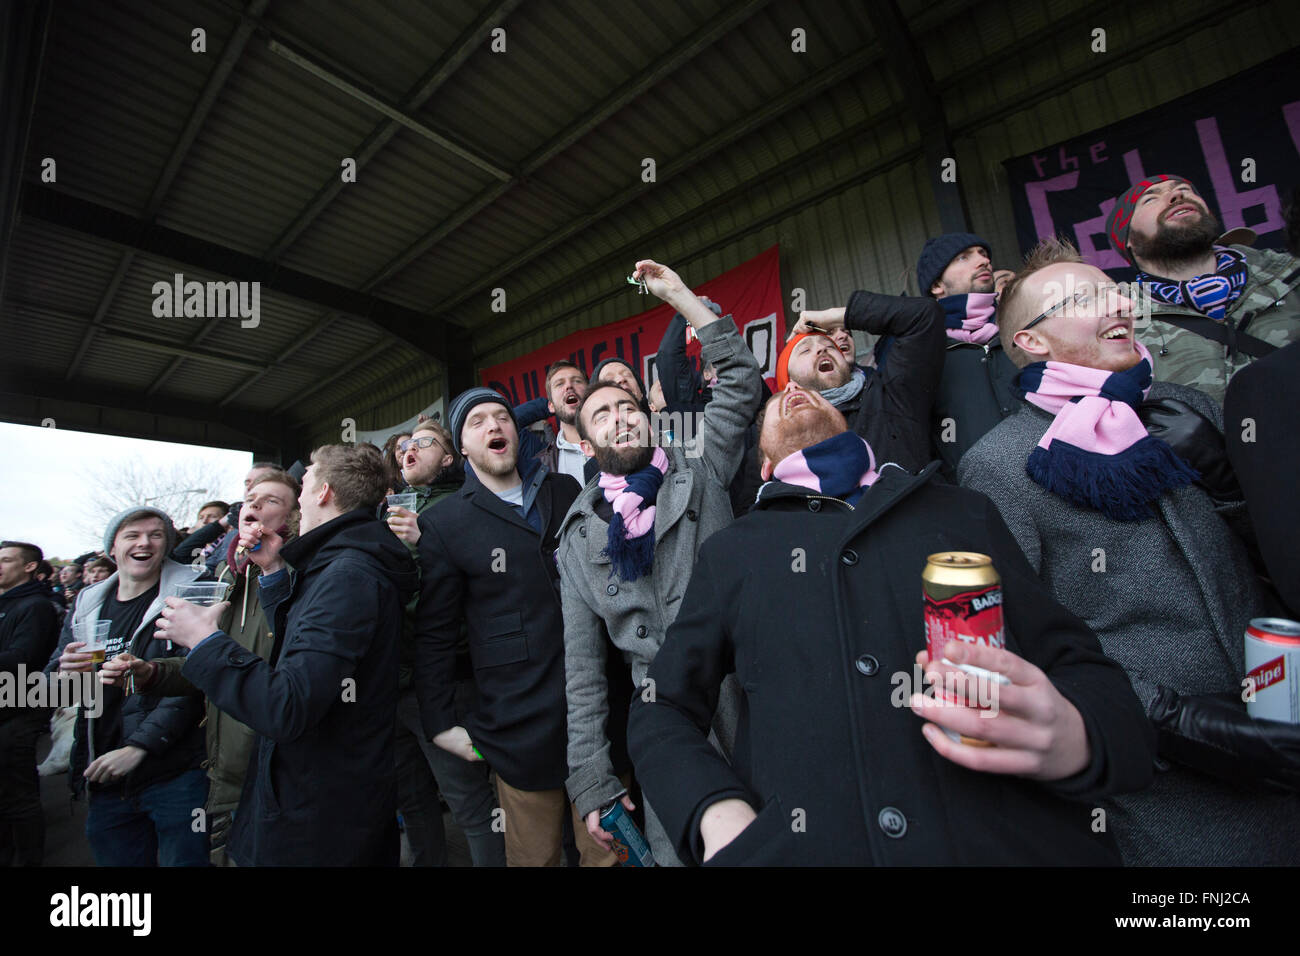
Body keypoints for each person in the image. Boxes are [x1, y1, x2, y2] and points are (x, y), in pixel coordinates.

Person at [627, 381, 1155, 865]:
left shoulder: (961, 510)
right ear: (764, 465)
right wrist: (717, 818)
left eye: (813, 389)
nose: (793, 388)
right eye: (773, 404)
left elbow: (1086, 671)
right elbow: (660, 707)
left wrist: (1075, 735)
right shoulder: (732, 552)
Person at [959, 237, 1300, 864]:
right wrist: (1172, 720)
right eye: (1085, 298)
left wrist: (1228, 484)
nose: (1117, 302)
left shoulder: (1185, 408)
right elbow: (1016, 638)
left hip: (1284, 714)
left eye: (1114, 289)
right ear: (1032, 342)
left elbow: (1278, 558)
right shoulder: (999, 464)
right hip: (1168, 786)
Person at [559, 259, 761, 866]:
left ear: (648, 417)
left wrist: (678, 296)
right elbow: (584, 672)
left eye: (628, 408)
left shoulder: (701, 469)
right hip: (667, 727)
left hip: (748, 698)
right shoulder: (575, 539)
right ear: (587, 443)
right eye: (602, 415)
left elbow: (741, 380)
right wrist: (593, 780)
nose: (620, 418)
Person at [159, 445, 418, 866]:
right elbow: (305, 647)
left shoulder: (348, 575)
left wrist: (205, 641)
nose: (298, 493)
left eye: (306, 481)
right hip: (318, 800)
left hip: (319, 822)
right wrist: (275, 574)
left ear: (324, 492)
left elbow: (289, 704)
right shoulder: (335, 563)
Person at [414, 388, 606, 867]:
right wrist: (439, 723)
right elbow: (436, 633)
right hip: (518, 726)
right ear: (462, 448)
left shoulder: (565, 492)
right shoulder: (445, 522)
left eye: (501, 416)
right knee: (533, 858)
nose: (494, 425)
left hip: (598, 715)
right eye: (477, 421)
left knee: (608, 854)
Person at [102, 470, 302, 865]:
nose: (255, 505)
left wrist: (274, 571)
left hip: (278, 765)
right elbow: (211, 662)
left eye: (272, 501)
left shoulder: (300, 574)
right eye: (250, 499)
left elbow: (277, 673)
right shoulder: (226, 576)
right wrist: (152, 673)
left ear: (294, 518)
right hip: (223, 765)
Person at [52, 508, 208, 867]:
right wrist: (63, 675)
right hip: (104, 772)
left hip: (175, 774)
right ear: (113, 547)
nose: (145, 543)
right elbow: (55, 684)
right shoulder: (87, 603)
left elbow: (199, 676)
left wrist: (140, 746)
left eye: (156, 535)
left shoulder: (189, 594)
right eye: (132, 535)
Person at [385, 420, 505, 867]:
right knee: (414, 805)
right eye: (405, 446)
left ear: (450, 458)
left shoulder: (464, 505)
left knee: (470, 803)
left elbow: (481, 589)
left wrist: (431, 541)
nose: (410, 450)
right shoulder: (388, 511)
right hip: (391, 685)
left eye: (425, 443)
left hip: (445, 685)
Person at [1106, 174, 1300, 403]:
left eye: (1185, 190)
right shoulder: (1120, 325)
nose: (1177, 195)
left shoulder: (1291, 273)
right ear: (1127, 239)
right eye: (1150, 199)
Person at [781, 282, 945, 473]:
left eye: (829, 346)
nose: (822, 348)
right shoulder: (780, 435)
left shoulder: (891, 394)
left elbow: (925, 315)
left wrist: (833, 316)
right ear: (790, 381)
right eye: (806, 350)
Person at [911, 233, 1022, 481]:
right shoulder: (922, 353)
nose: (983, 261)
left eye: (983, 254)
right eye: (963, 257)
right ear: (936, 285)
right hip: (980, 499)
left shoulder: (1022, 331)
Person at [0, 541, 62, 865]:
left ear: (28, 567)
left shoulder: (35, 606)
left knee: (17, 796)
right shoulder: (7, 603)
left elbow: (23, 659)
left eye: (6, 560)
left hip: (19, 710)